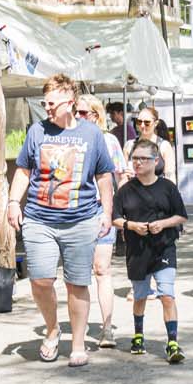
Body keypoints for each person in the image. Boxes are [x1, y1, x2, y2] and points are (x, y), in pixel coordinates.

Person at [3, 72, 117, 368]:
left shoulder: (91, 135)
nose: (47, 107)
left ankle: (77, 343)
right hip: (40, 219)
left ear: (70, 101)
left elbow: (104, 175)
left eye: (52, 102)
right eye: (45, 102)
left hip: (81, 221)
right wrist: (14, 202)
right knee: (40, 280)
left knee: (77, 283)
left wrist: (106, 212)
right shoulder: (36, 132)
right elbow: (24, 171)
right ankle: (53, 330)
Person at [115, 137, 189, 363]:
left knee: (167, 294)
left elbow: (181, 216)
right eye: (134, 159)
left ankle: (173, 343)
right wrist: (131, 225)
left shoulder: (168, 187)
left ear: (155, 161)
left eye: (143, 159)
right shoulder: (125, 190)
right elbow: (115, 218)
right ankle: (138, 336)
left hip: (164, 247)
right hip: (137, 250)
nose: (137, 163)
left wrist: (164, 224)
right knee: (140, 296)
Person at [79, 94, 127, 349]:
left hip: (100, 210)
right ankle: (79, 329)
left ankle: (107, 328)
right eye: (76, 112)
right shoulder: (68, 138)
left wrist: (125, 212)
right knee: (78, 274)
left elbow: (121, 176)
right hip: (74, 212)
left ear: (96, 115)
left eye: (84, 113)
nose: (78, 117)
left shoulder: (108, 141)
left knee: (102, 269)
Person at [133, 104, 177, 178]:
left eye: (147, 122)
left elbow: (170, 175)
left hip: (158, 188)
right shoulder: (130, 145)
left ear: (155, 123)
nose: (142, 125)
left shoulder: (164, 146)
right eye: (139, 122)